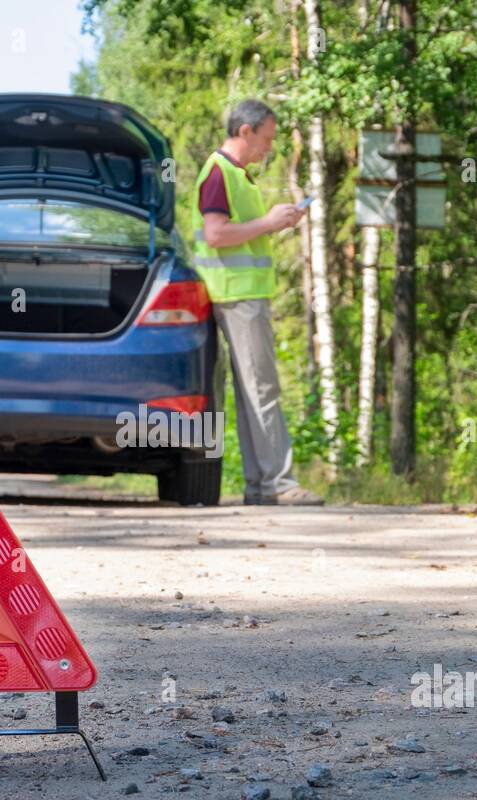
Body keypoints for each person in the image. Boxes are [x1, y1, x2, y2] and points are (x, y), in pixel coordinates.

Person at [192, 99, 324, 506]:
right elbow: (216, 234)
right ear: (245, 131)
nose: (269, 147)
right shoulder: (220, 172)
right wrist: (268, 222)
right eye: (266, 138)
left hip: (238, 293)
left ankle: (260, 486)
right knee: (262, 388)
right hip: (238, 295)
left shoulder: (233, 174)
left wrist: (273, 223)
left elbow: (232, 232)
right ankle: (279, 483)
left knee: (253, 390)